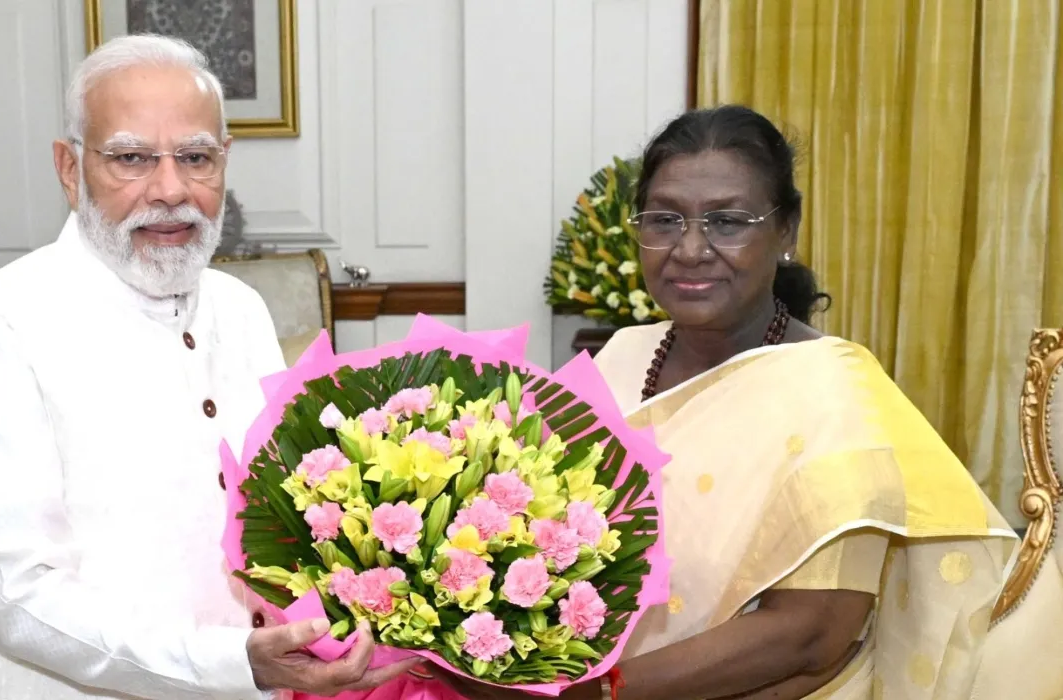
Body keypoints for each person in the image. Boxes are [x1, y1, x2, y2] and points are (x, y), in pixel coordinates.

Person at [430, 106, 1020, 699]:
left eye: (728, 221)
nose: (689, 249)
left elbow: (811, 635)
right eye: (665, 219)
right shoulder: (622, 357)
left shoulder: (834, 391)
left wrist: (599, 693)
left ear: (786, 231)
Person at [0, 35, 417, 699]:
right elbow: (17, 595)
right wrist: (229, 662)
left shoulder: (241, 310)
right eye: (131, 158)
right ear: (70, 169)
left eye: (195, 157)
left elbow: (287, 519)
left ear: (224, 161)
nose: (170, 190)